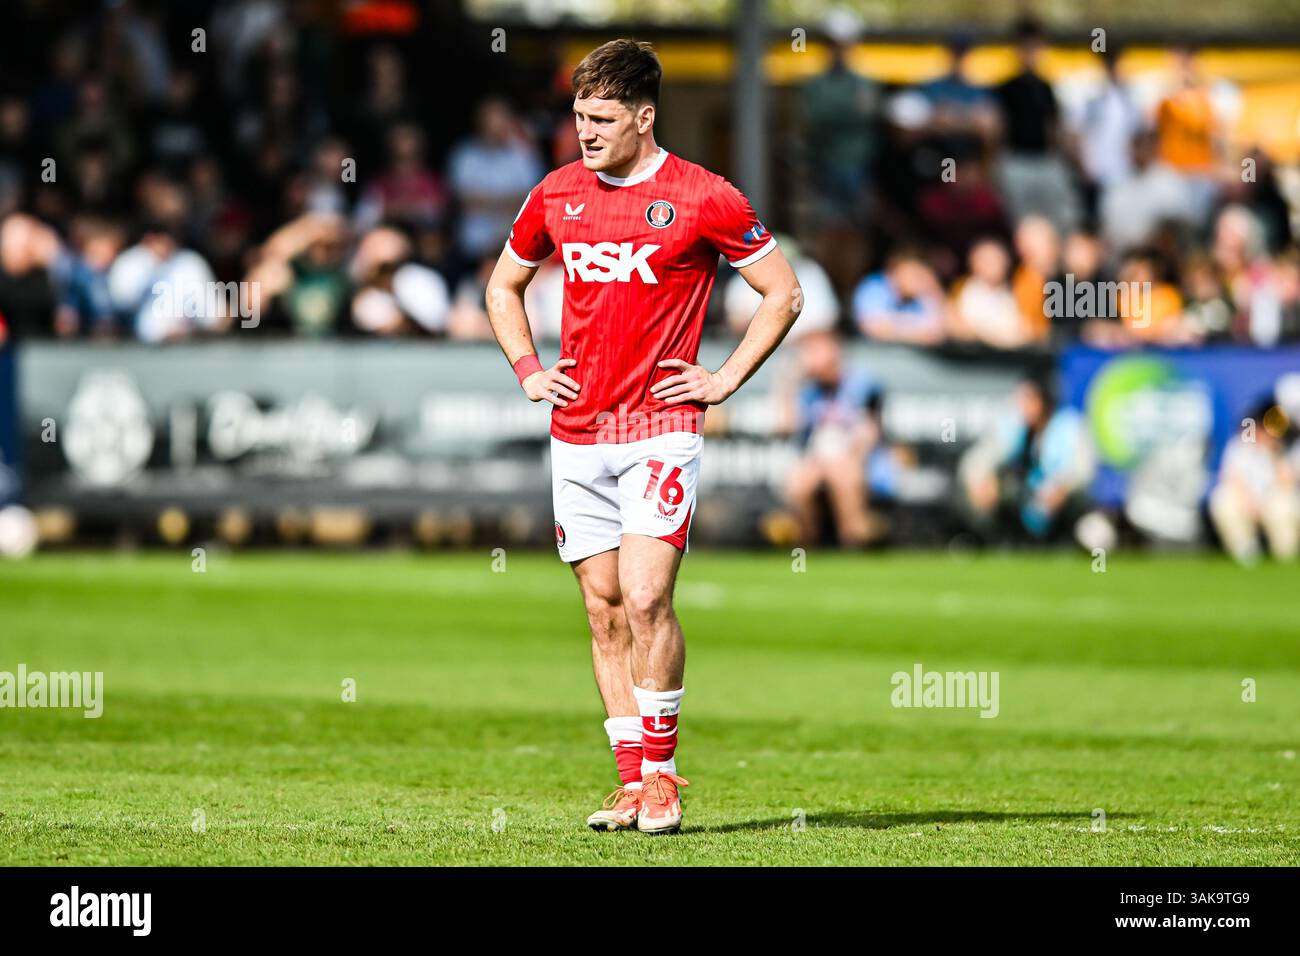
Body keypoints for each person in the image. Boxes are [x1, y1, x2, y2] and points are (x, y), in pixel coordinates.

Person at [484, 40, 801, 834]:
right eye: (578, 116)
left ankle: (662, 777)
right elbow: (503, 285)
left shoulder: (703, 196)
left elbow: (783, 293)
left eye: (600, 118)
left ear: (643, 116)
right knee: (603, 609)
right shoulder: (556, 194)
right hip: (578, 428)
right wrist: (528, 368)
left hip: (659, 427)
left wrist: (723, 380)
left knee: (649, 595)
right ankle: (629, 782)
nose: (584, 132)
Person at [959, 376, 1096, 543]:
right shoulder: (1012, 423)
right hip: (1023, 498)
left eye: (1030, 399)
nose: (1024, 406)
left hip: (1061, 503)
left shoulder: (1070, 425)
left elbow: (1084, 470)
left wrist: (1064, 486)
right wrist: (981, 478)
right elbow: (982, 455)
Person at [783, 330, 881, 548]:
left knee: (844, 476)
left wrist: (850, 457)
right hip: (817, 458)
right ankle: (806, 544)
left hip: (855, 456)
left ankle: (854, 541)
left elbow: (869, 431)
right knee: (798, 485)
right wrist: (789, 382)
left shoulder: (861, 384)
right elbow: (787, 427)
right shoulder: (808, 390)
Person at [1209, 401, 1298, 563]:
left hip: (1274, 502)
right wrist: (1250, 502)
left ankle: (1286, 555)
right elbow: (1231, 478)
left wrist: (1277, 454)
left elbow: (1288, 482)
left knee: (1285, 505)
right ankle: (1246, 552)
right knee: (1223, 499)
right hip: (1247, 501)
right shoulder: (1241, 446)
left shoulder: (1288, 449)